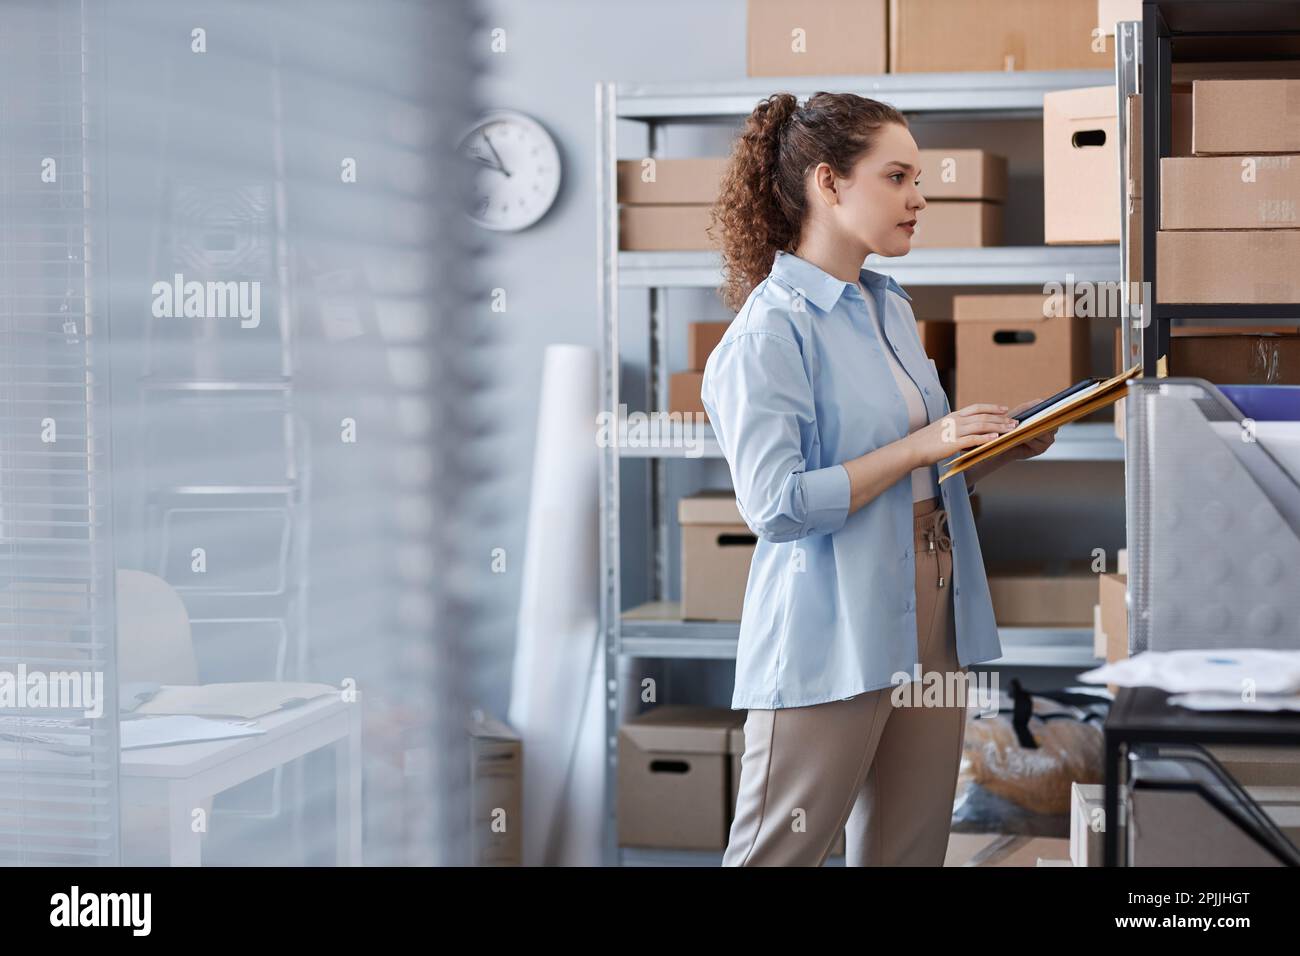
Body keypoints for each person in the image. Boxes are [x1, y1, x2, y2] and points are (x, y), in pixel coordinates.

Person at [702, 92, 1058, 866]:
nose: (920, 197)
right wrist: (924, 441)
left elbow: (922, 466)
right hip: (832, 615)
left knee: (908, 847)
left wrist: (995, 446)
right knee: (778, 851)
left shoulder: (888, 307)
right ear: (828, 184)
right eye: (897, 176)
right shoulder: (769, 332)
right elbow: (777, 504)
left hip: (933, 595)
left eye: (920, 178)